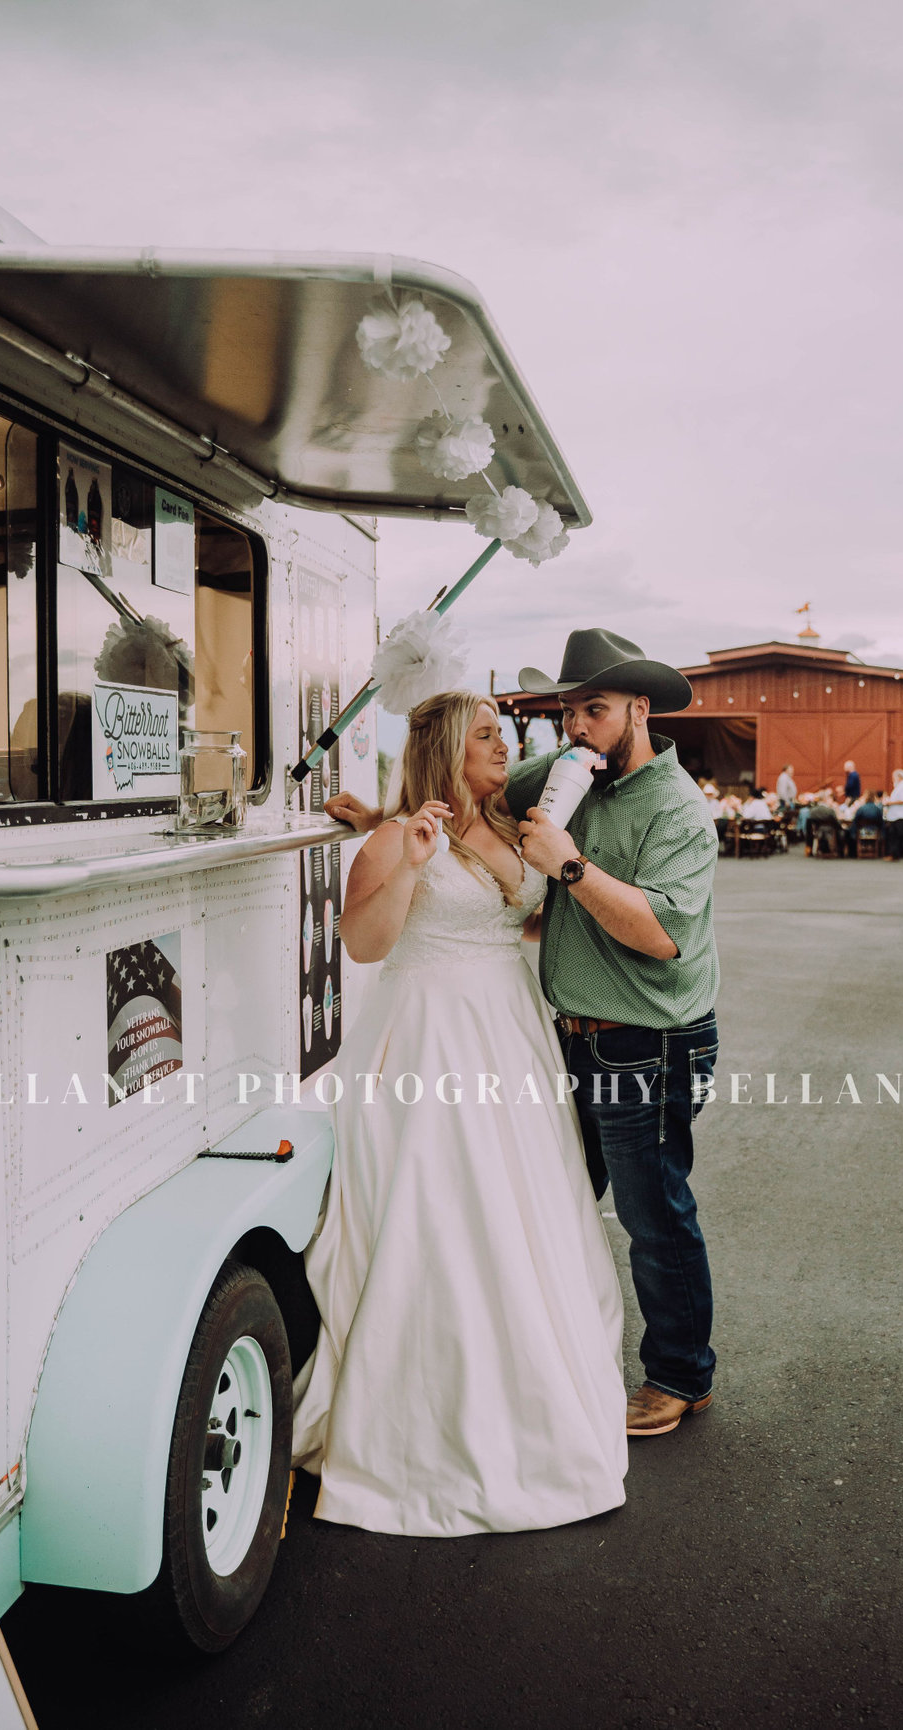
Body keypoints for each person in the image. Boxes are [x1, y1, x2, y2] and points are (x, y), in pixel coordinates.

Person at [330, 630, 722, 1442]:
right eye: (568, 711)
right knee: (534, 1201)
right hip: (555, 1037)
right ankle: (505, 1354)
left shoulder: (677, 808)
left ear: (638, 711)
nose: (573, 727)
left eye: (596, 710)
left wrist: (570, 866)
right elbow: (463, 812)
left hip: (645, 1036)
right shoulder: (564, 769)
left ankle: (680, 1376)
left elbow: (662, 935)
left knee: (653, 1213)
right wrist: (380, 824)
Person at [296, 689, 627, 1535]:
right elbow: (365, 945)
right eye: (487, 735)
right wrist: (406, 857)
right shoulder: (397, 836)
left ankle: (531, 1391)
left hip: (509, 1032)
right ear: (446, 747)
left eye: (503, 734)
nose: (503, 746)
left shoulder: (514, 830)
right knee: (442, 1207)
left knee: (525, 1206)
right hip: (428, 1039)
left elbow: (527, 922)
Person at [882, 769, 903, 860]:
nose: (893, 780)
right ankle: (896, 854)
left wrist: (889, 803)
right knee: (895, 836)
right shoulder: (902, 786)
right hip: (897, 816)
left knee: (895, 837)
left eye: (894, 777)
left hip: (901, 816)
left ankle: (895, 855)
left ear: (899, 777)